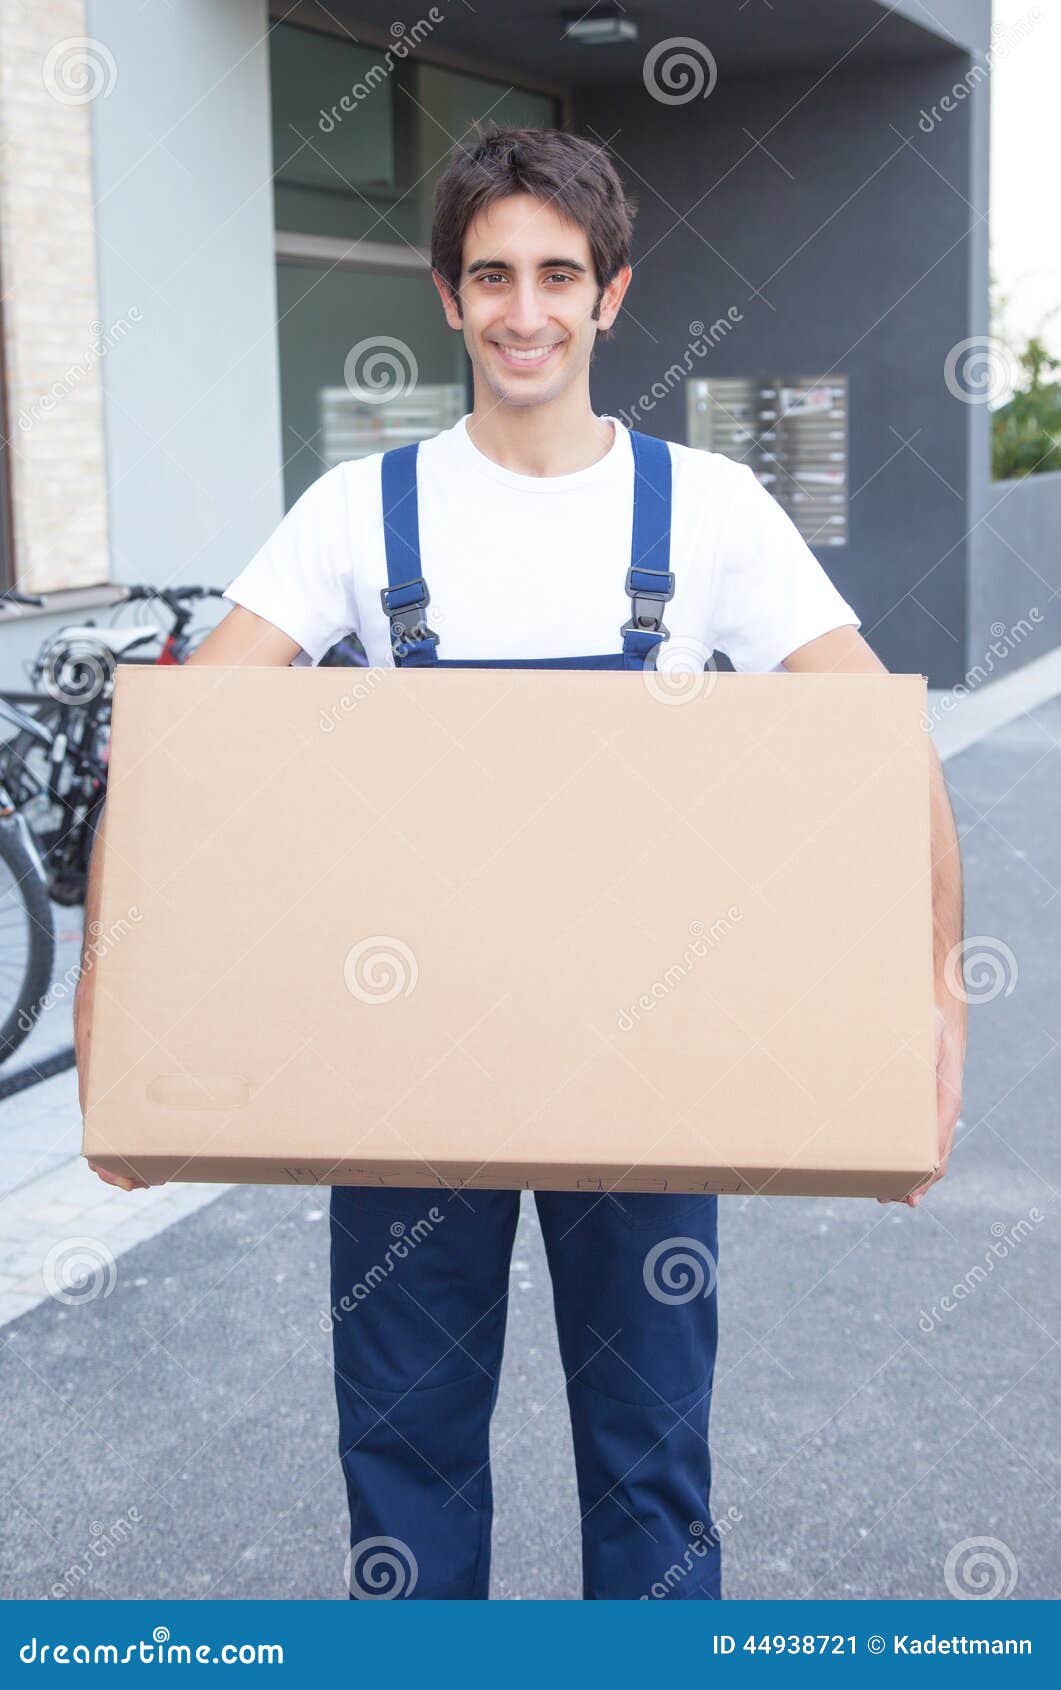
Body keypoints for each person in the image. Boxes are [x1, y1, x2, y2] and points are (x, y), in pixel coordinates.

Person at [76, 126, 966, 1601]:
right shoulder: (361, 515)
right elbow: (172, 765)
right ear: (446, 295)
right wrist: (113, 1021)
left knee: (648, 1467)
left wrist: (934, 994)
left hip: (651, 1071)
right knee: (403, 1459)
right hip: (405, 1073)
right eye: (491, 274)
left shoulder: (709, 516)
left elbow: (883, 759)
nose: (525, 309)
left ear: (612, 293)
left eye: (559, 273)